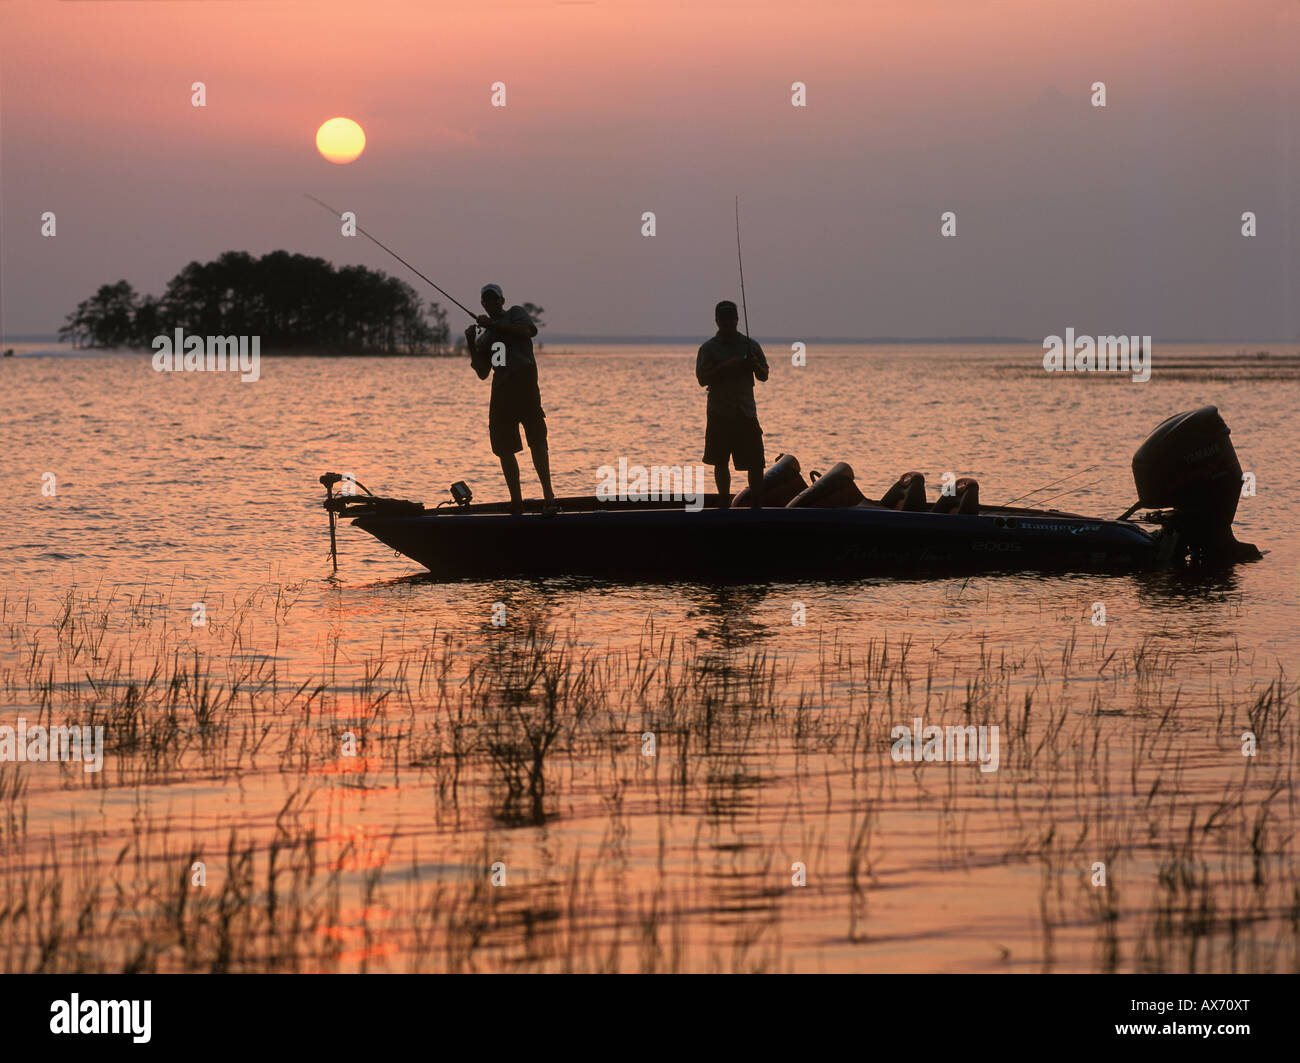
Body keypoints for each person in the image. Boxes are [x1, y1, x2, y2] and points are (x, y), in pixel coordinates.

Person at [465, 283, 559, 516]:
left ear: (502, 301)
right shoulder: (485, 338)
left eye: (494, 299)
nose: (491, 303)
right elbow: (482, 372)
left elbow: (528, 332)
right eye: (486, 301)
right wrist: (470, 341)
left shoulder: (515, 313)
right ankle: (516, 501)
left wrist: (494, 325)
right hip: (501, 392)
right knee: (503, 448)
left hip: (524, 385)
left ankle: (549, 498)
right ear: (483, 304)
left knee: (537, 441)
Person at [695, 300, 770, 508]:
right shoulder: (708, 349)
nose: (728, 324)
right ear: (717, 321)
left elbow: (764, 375)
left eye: (731, 320)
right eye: (723, 320)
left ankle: (757, 505)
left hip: (745, 412)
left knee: (756, 462)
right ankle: (723, 504)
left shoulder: (751, 345)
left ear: (737, 320)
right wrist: (727, 366)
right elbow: (702, 379)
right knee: (720, 461)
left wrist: (753, 364)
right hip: (719, 413)